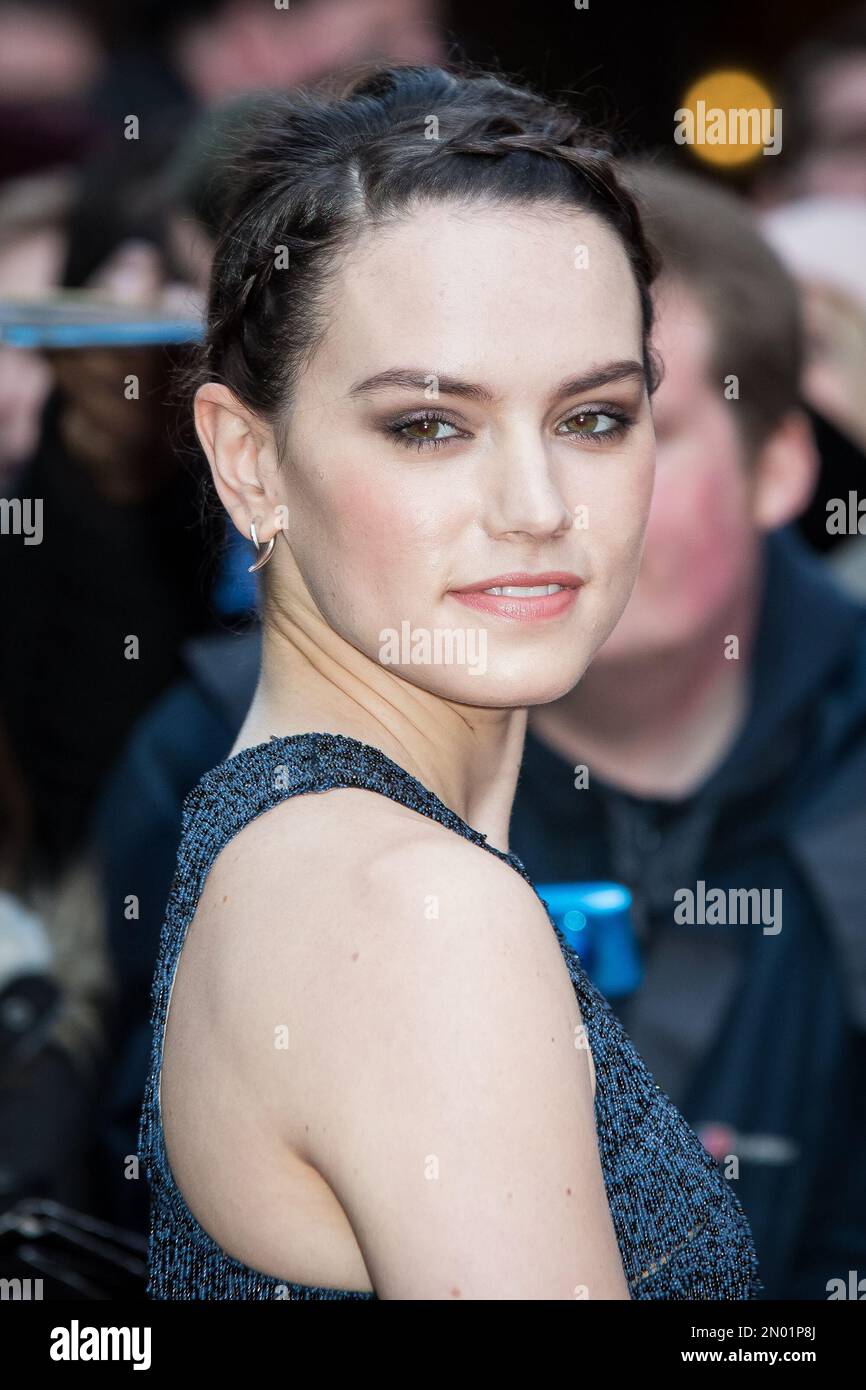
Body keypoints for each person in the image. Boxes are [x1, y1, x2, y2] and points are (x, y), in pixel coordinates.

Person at [136, 60, 761, 1300]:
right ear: (246, 460)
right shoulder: (410, 913)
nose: (535, 509)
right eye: (430, 425)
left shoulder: (298, 849)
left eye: (591, 417)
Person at [509, 160, 866, 1300]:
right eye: (471, 427)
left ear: (780, 465)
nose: (547, 501)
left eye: (618, 424)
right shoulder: (255, 759)